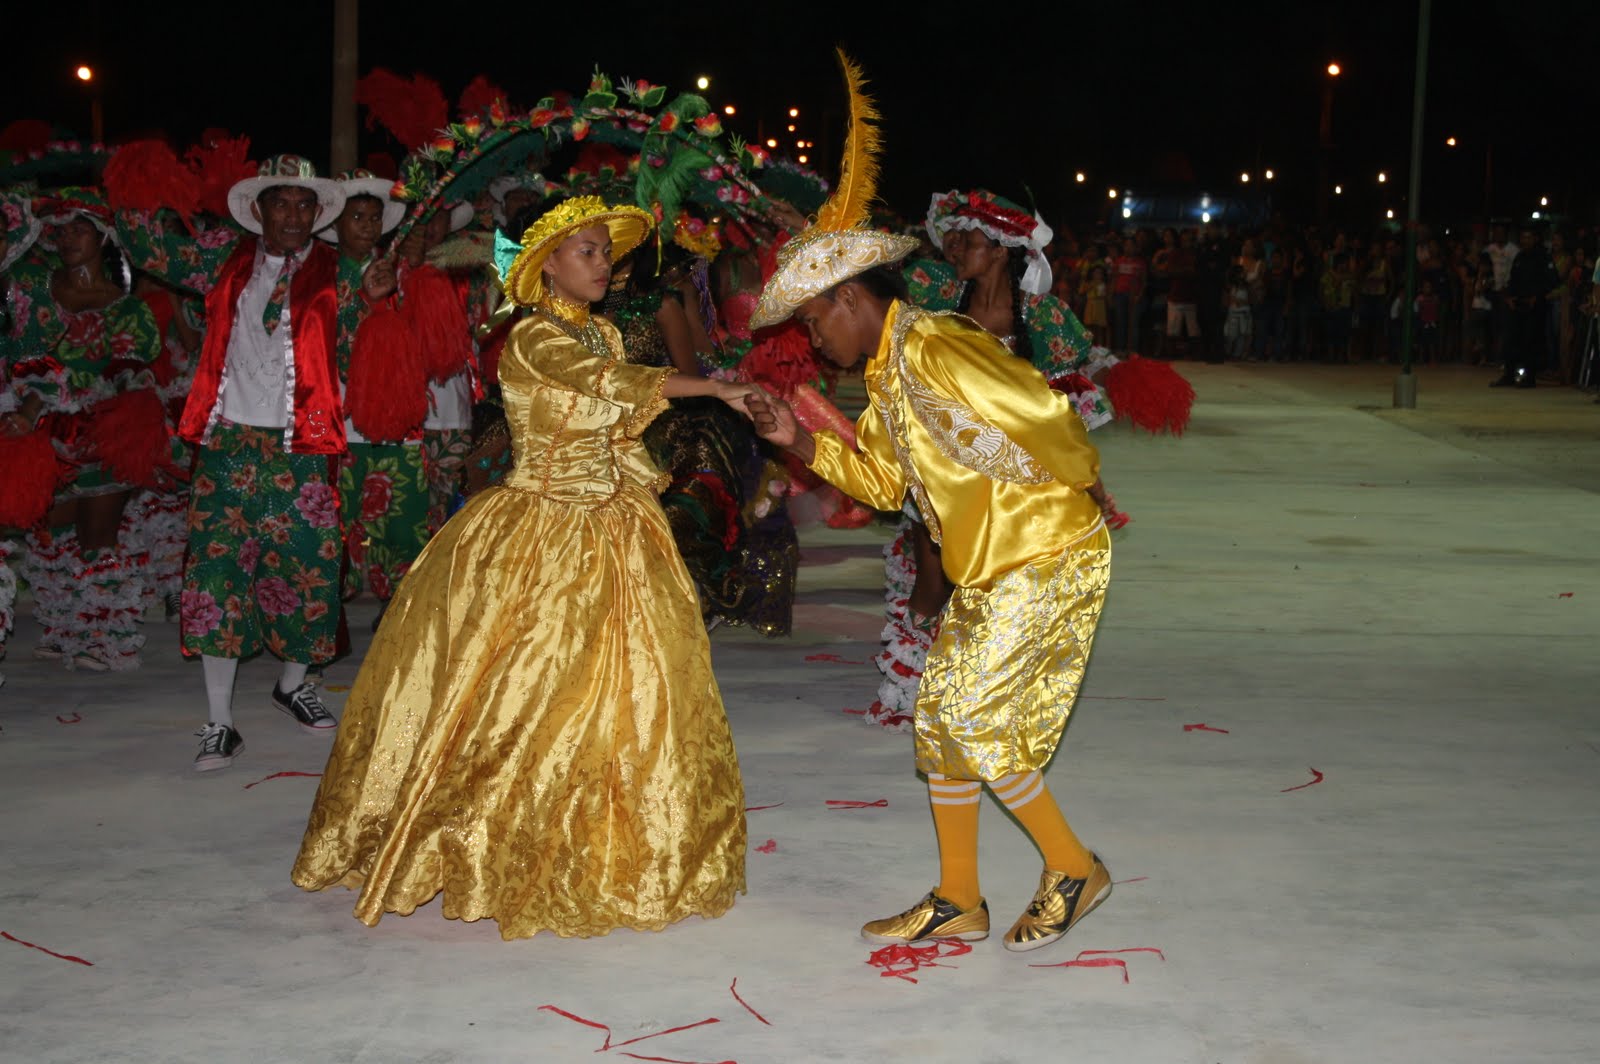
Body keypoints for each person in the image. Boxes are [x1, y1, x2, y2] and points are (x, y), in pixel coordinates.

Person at [291, 196, 751, 940]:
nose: (605, 265)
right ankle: (487, 837)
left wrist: (640, 487)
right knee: (527, 690)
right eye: (589, 253)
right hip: (540, 531)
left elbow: (617, 421)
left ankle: (599, 838)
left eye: (607, 252)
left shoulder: (599, 328)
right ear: (546, 267)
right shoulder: (534, 336)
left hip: (610, 528)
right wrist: (715, 387)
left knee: (628, 692)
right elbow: (611, 387)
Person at [745, 60, 1118, 952]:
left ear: (849, 298)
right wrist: (794, 437)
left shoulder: (936, 343)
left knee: (982, 726)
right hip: (993, 565)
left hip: (1044, 549)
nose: (812, 339)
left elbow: (1046, 414)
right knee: (942, 724)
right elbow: (880, 485)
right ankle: (960, 895)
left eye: (814, 322)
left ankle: (1074, 867)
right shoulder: (884, 375)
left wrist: (1054, 489)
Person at [116, 155, 390, 769]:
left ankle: (293, 686)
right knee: (217, 576)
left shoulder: (341, 272)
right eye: (280, 204)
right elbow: (148, 245)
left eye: (303, 206)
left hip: (303, 446)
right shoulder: (222, 260)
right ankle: (219, 722)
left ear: (318, 214)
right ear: (258, 212)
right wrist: (140, 188)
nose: (293, 216)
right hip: (228, 443)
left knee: (313, 570)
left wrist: (372, 303)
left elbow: (356, 346)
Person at [4, 188, 165, 672]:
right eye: (62, 230)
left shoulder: (128, 309)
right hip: (31, 430)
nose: (69, 237)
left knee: (96, 535)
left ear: (104, 238)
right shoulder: (32, 289)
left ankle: (99, 634)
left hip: (98, 432)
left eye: (80, 229)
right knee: (43, 529)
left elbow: (127, 371)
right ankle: (61, 624)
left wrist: (128, 396)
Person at [1494, 225, 1559, 388]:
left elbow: (1552, 281)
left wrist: (1537, 297)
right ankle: (1509, 374)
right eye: (1523, 237)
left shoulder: (1543, 257)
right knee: (1511, 339)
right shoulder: (1520, 257)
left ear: (1535, 238)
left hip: (1535, 306)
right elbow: (1513, 280)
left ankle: (1529, 377)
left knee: (1531, 342)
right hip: (1517, 304)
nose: (1525, 240)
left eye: (1528, 237)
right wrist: (1509, 297)